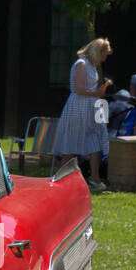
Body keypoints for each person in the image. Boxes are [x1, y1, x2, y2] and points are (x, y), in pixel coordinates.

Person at [56, 37, 113, 191]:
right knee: (72, 145)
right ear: (97, 52)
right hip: (79, 106)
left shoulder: (92, 66)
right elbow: (79, 89)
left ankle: (94, 179)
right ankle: (57, 181)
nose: (105, 58)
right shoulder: (81, 64)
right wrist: (96, 92)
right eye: (104, 54)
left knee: (95, 140)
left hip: (90, 106)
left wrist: (97, 93)